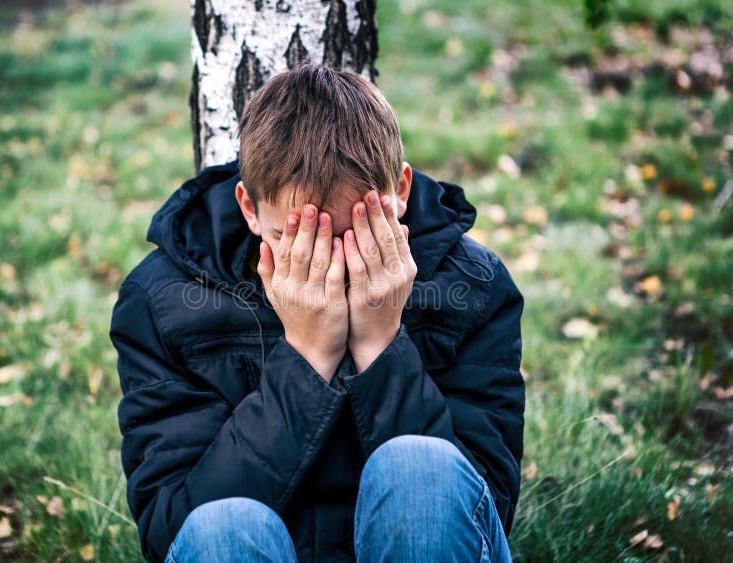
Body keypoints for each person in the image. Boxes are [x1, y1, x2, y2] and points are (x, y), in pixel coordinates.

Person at [110, 63, 524, 563]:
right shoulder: (163, 301)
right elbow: (173, 529)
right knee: (225, 524)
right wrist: (305, 357)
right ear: (249, 208)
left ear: (401, 192)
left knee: (422, 468)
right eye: (296, 239)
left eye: (355, 236)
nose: (325, 265)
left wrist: (380, 345)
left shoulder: (473, 286)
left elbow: (482, 509)